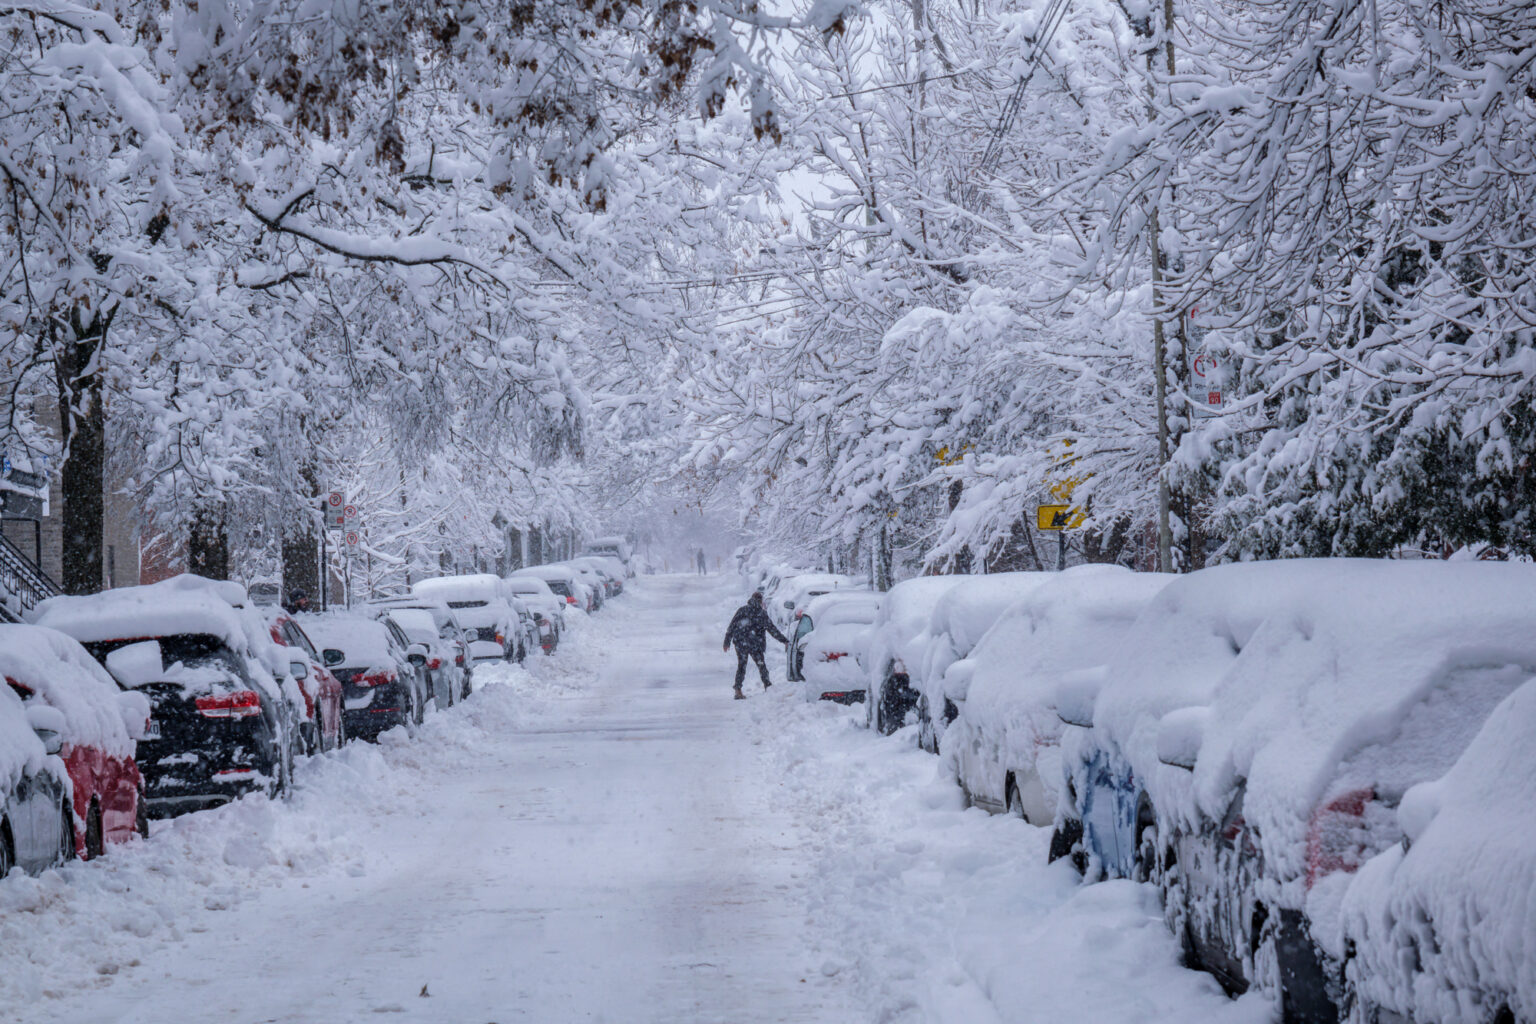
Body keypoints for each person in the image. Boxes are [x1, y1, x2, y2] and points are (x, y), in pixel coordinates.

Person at [723, 591, 787, 699]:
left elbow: (732, 626)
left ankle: (738, 689)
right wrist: (784, 640)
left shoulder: (742, 610)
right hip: (755, 644)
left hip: (741, 643)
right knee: (761, 665)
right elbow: (772, 629)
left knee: (742, 666)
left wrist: (727, 642)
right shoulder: (761, 613)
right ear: (761, 601)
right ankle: (767, 686)